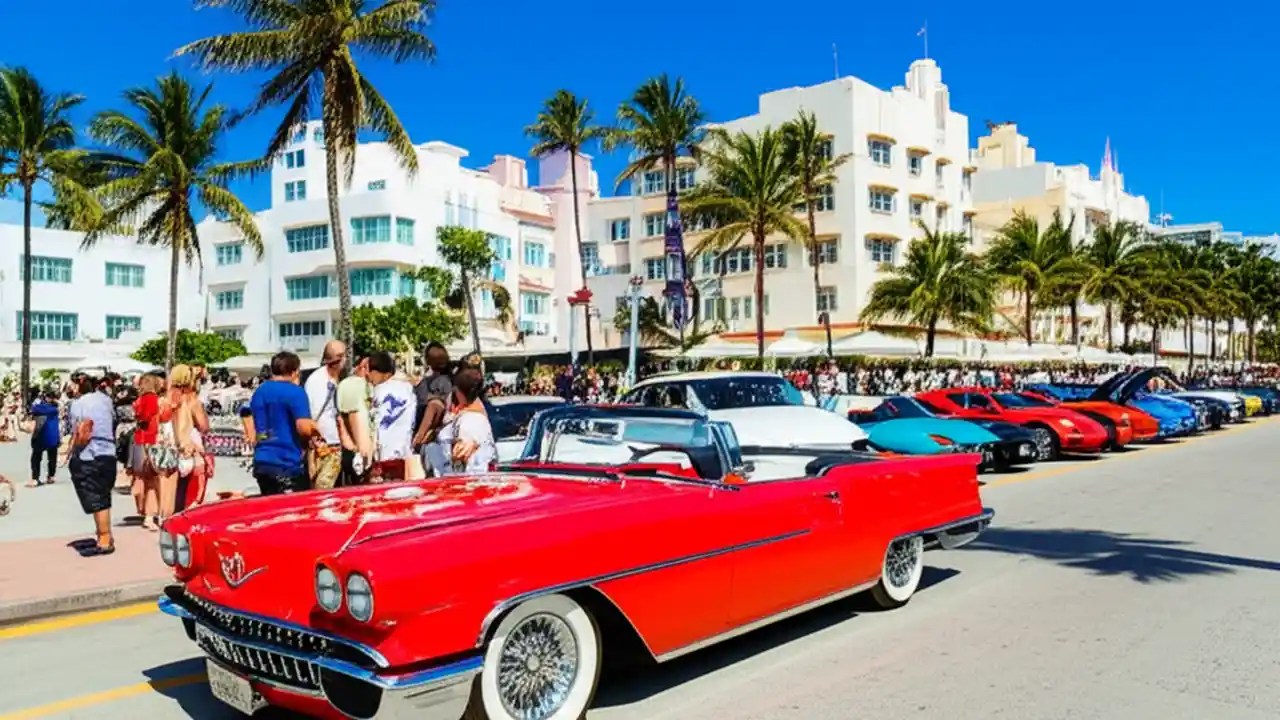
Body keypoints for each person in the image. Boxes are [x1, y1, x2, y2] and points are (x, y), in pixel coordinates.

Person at [249, 351, 320, 495]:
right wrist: (315, 430)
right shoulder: (295, 392)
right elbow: (303, 427)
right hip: (286, 462)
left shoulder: (259, 392)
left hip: (262, 461)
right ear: (294, 371)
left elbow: (254, 427)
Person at [67, 374, 117, 555]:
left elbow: (77, 431)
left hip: (89, 454)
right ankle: (103, 534)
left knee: (97, 499)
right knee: (103, 495)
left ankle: (104, 538)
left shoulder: (78, 404)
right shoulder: (106, 400)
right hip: (108, 453)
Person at [368, 351, 417, 482]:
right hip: (403, 452)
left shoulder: (376, 391)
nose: (369, 377)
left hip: (381, 454)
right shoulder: (408, 389)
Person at [437, 367, 496, 475]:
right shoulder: (475, 413)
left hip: (467, 482)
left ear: (458, 391)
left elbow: (461, 456)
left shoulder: (470, 420)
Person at [304, 340, 346, 490]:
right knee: (322, 489)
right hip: (324, 444)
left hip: (328, 442)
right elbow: (313, 413)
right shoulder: (318, 380)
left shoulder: (332, 378)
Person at [133, 372, 172, 531]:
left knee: (149, 481)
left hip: (141, 439)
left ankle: (149, 516)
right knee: (160, 480)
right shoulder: (151, 399)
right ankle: (162, 514)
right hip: (152, 439)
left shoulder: (140, 399)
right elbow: (148, 416)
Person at [170, 365, 211, 510]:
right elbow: (204, 427)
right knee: (187, 490)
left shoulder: (166, 398)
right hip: (189, 446)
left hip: (168, 446)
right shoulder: (191, 401)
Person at [412, 343, 453, 477]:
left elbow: (433, 406)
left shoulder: (430, 383)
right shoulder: (450, 381)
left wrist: (420, 436)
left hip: (429, 440)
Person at [337, 353, 375, 485]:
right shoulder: (354, 385)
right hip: (360, 454)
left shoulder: (352, 385)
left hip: (355, 451)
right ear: (364, 368)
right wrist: (363, 453)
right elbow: (354, 417)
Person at [27, 390, 60, 488]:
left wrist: (36, 405)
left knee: (36, 458)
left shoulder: (40, 407)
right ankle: (51, 476)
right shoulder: (55, 409)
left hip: (41, 435)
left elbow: (33, 409)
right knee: (52, 458)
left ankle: (35, 478)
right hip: (53, 436)